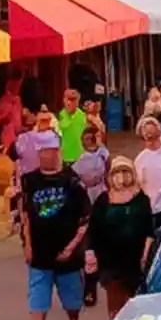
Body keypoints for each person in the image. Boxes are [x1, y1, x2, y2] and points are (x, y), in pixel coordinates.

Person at [18, 130, 90, 320]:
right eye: (41, 152)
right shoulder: (30, 180)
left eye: (49, 151)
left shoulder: (72, 181)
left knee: (72, 298)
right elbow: (26, 215)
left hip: (67, 252)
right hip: (40, 250)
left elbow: (85, 218)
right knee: (37, 294)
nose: (46, 156)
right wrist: (27, 244)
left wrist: (72, 247)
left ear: (57, 151)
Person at [85, 157, 154, 320]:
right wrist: (90, 253)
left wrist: (146, 254)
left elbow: (149, 230)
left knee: (136, 303)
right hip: (110, 261)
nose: (122, 176)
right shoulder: (103, 200)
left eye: (125, 172)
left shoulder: (141, 200)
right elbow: (93, 229)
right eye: (117, 172)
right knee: (115, 303)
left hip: (135, 260)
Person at [71, 126, 109, 306]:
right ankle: (89, 288)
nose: (88, 141)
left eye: (91, 138)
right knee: (89, 248)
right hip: (88, 202)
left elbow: (109, 172)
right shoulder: (80, 160)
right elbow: (77, 182)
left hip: (103, 198)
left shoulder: (103, 154)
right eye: (85, 139)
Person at [56, 89, 88, 166]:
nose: (71, 102)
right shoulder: (61, 115)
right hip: (65, 157)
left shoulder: (82, 115)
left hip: (80, 156)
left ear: (78, 101)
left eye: (74, 99)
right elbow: (63, 127)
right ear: (64, 100)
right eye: (69, 99)